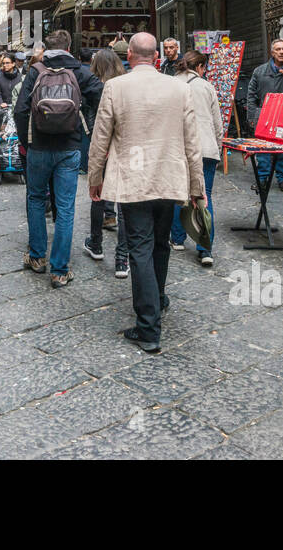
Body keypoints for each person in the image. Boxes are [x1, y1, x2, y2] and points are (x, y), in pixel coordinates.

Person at [88, 33, 205, 353]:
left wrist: (95, 179)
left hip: (133, 180)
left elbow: (100, 139)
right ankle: (158, 297)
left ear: (129, 56)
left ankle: (148, 325)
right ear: (156, 56)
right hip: (168, 178)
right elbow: (192, 144)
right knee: (160, 244)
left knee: (139, 246)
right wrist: (197, 188)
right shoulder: (180, 88)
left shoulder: (115, 87)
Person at [13, 29, 104, 288]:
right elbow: (102, 97)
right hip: (69, 147)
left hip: (38, 147)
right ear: (68, 46)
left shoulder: (36, 71)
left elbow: (20, 110)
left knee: (35, 199)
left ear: (46, 47)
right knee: (65, 208)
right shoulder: (79, 71)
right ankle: (60, 270)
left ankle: (37, 257)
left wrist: (26, 141)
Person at [169, 50, 224, 265]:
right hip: (205, 148)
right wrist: (217, 148)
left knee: (178, 194)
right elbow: (217, 123)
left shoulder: (169, 84)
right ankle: (205, 249)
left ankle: (178, 238)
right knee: (204, 195)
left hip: (178, 148)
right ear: (200, 67)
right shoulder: (206, 86)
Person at [83, 48, 127, 272]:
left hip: (101, 145)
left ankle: (96, 243)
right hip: (123, 146)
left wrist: (93, 137)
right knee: (125, 200)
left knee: (97, 194)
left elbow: (90, 116)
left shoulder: (93, 86)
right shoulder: (125, 85)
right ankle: (122, 258)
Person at [245, 39, 283, 192]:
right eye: (278, 49)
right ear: (272, 52)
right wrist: (252, 117)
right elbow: (251, 95)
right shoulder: (259, 71)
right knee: (263, 150)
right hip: (264, 115)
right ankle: (262, 179)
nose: (282, 52)